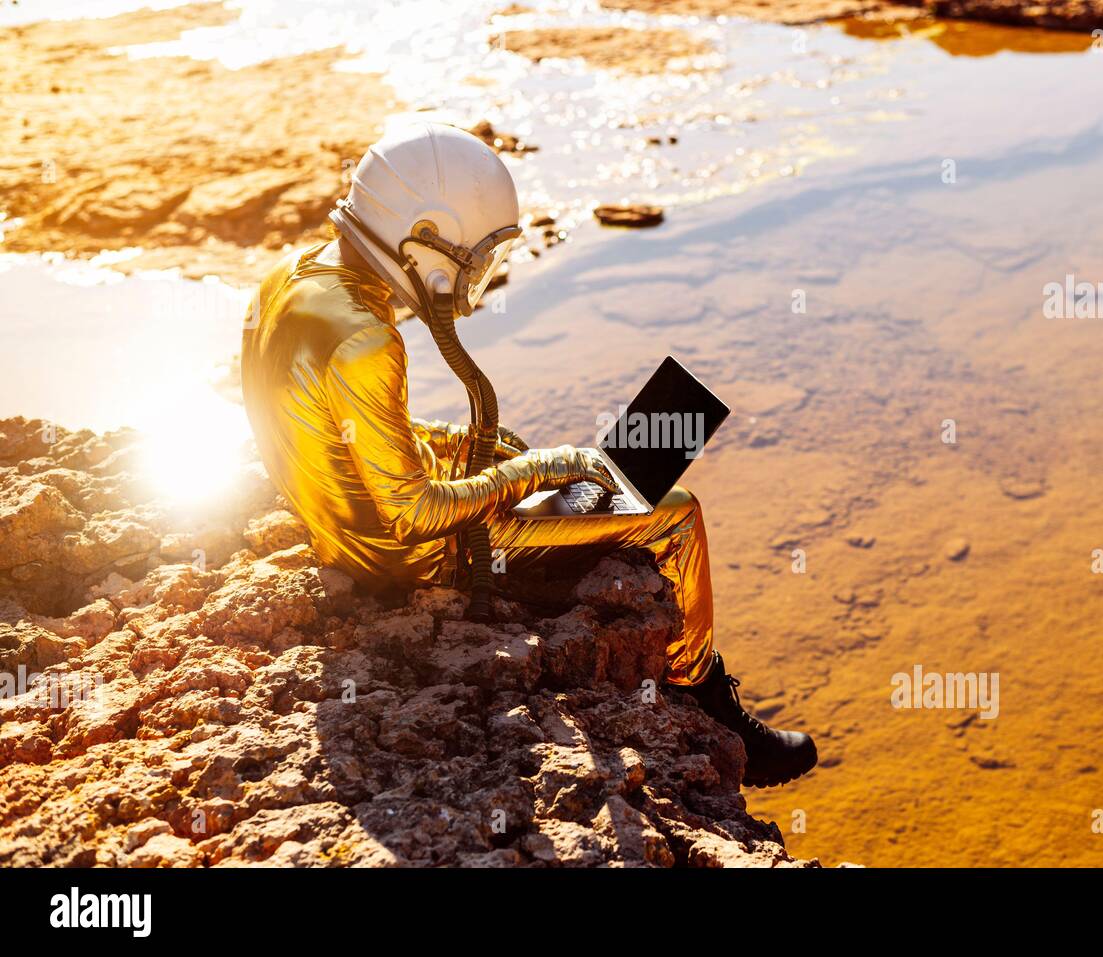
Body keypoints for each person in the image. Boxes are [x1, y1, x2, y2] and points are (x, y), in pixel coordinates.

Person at [240, 120, 816, 787]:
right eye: (471, 256)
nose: (473, 275)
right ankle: (703, 696)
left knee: (629, 451)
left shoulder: (292, 278)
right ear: (422, 236)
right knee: (677, 512)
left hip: (347, 528)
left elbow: (341, 422)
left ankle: (602, 480)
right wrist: (534, 469)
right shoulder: (369, 339)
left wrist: (465, 444)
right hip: (426, 555)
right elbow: (415, 515)